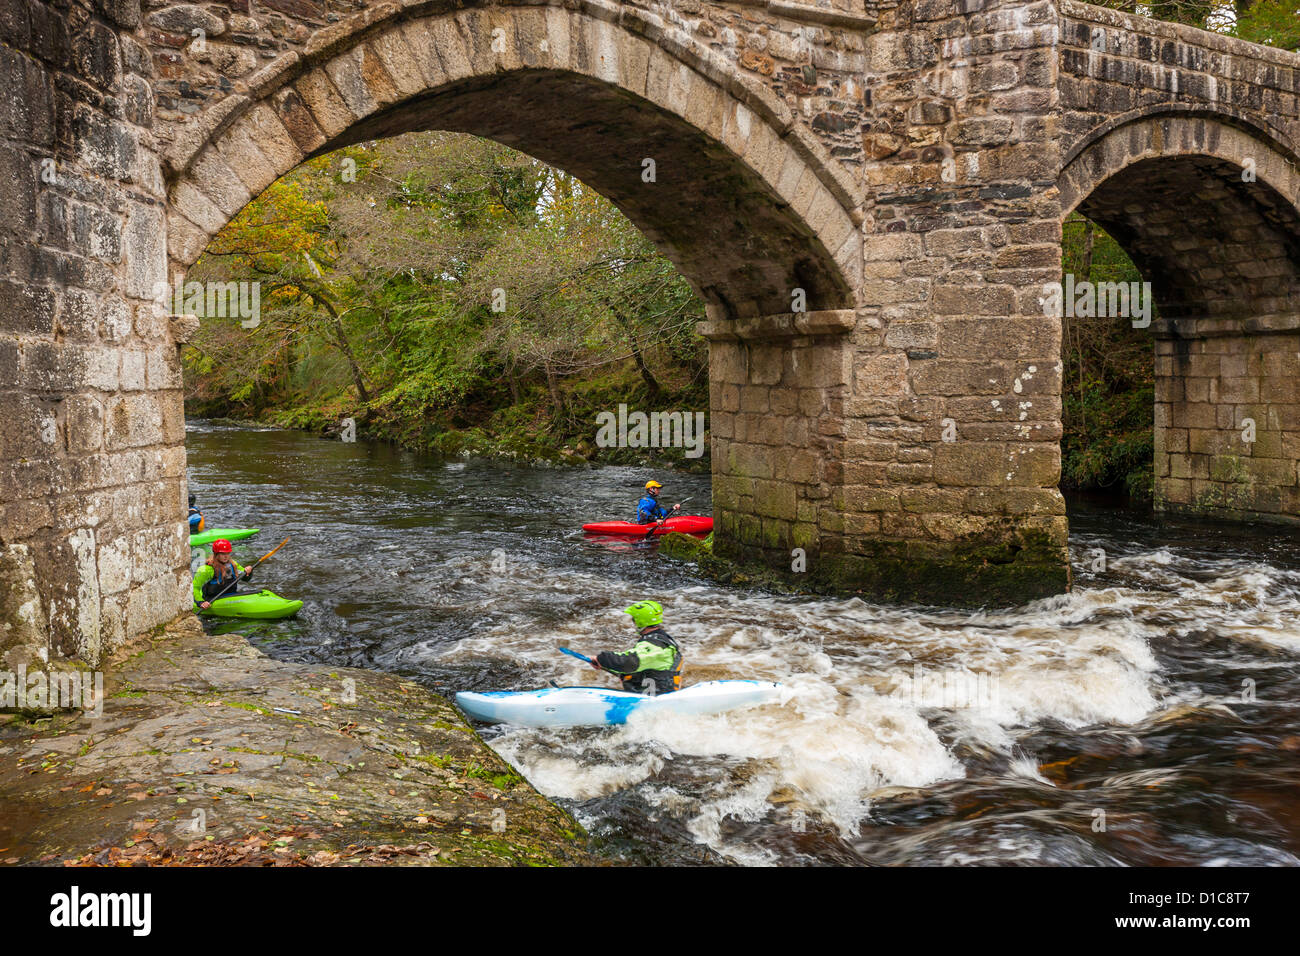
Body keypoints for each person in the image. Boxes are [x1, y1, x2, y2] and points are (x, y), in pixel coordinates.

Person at [590, 600, 683, 695]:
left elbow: (629, 662)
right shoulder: (661, 639)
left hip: (654, 700)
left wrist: (602, 659)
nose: (633, 622)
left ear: (639, 621)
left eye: (633, 619)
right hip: (652, 696)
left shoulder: (654, 645)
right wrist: (605, 665)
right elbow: (643, 665)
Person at [193, 539, 253, 609]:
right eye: (222, 554)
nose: (226, 556)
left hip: (231, 596)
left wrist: (248, 572)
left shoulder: (233, 564)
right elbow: (194, 588)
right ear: (216, 554)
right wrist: (200, 602)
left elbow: (246, 579)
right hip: (212, 600)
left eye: (227, 553)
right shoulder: (206, 569)